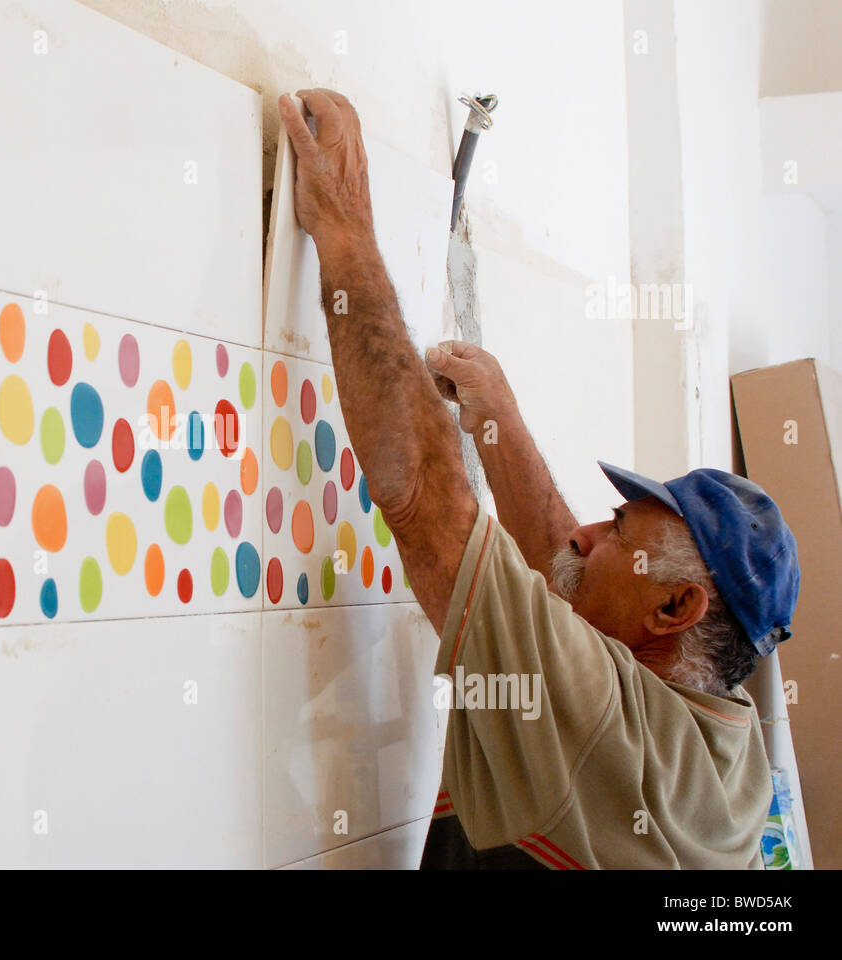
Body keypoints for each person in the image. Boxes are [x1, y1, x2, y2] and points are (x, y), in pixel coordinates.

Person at [278, 88, 800, 869]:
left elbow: (425, 496)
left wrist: (346, 229)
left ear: (675, 604)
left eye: (621, 533)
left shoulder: (598, 723)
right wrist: (498, 421)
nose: (587, 533)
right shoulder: (727, 746)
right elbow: (569, 568)